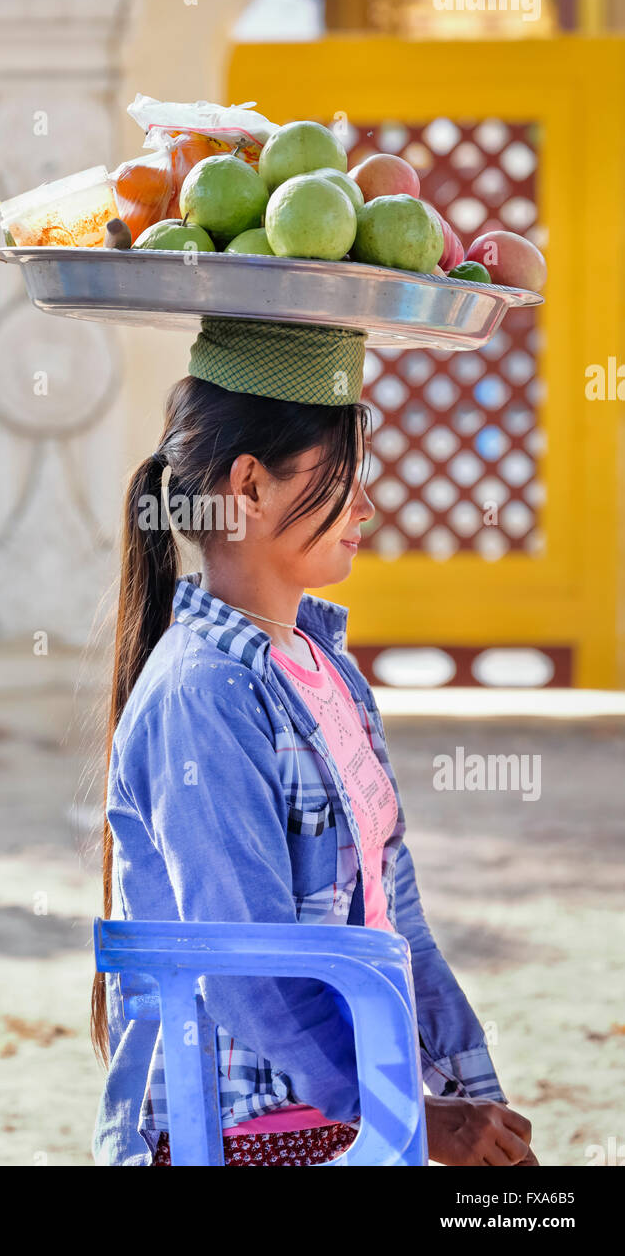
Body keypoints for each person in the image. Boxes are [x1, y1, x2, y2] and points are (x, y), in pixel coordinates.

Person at [90, 317, 537, 1167]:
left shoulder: (325, 669)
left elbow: (394, 920)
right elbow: (246, 967)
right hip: (252, 1136)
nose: (365, 505)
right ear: (250, 486)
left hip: (349, 1116)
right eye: (341, 476)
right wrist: (407, 1113)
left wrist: (464, 1090)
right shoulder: (203, 694)